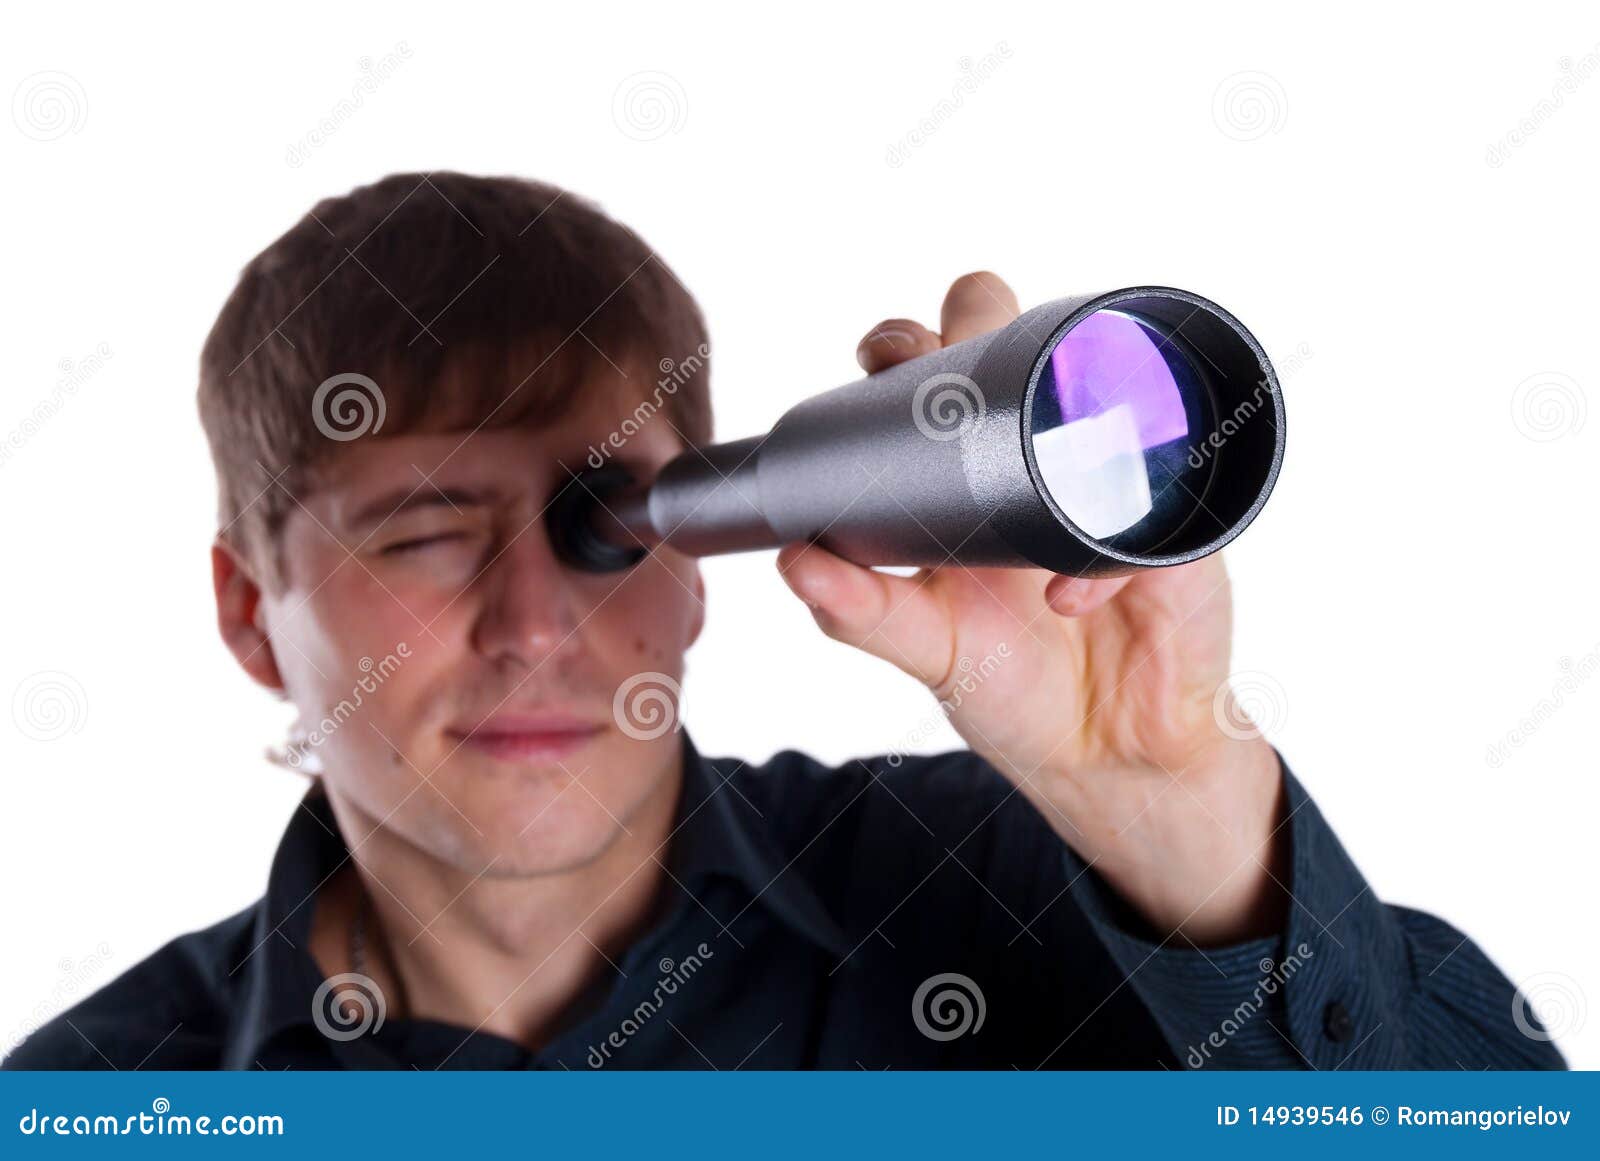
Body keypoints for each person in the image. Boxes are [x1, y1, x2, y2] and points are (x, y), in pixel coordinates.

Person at [3, 172, 1564, 1070]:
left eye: (611, 524)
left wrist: (1177, 814)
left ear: (701, 565)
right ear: (248, 613)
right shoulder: (103, 1090)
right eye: (424, 532)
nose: (537, 620)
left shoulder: (1019, 880)